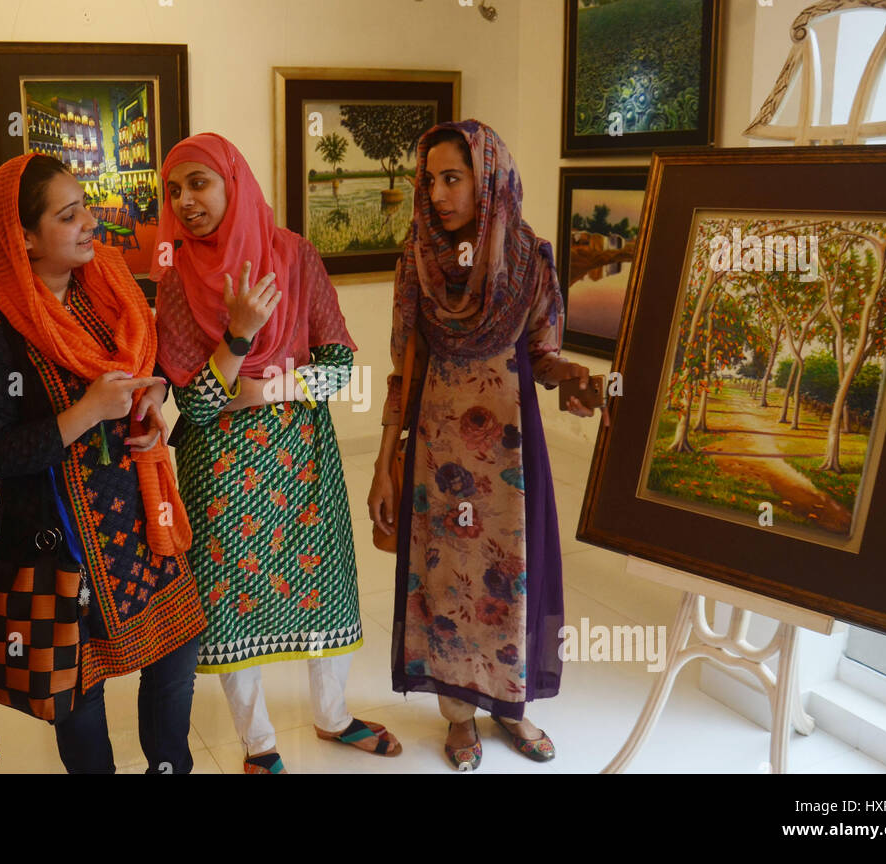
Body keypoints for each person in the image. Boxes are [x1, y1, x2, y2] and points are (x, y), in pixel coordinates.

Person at [152, 133, 400, 774]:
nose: (185, 201)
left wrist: (265, 388)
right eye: (174, 190)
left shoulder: (292, 256)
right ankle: (259, 744)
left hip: (302, 461)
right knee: (232, 600)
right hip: (221, 472)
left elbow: (340, 359)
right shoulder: (177, 278)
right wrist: (238, 337)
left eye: (199, 183)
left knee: (326, 585)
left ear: (235, 181)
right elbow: (197, 403)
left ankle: (334, 716)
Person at [0, 154, 205, 774]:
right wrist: (88, 411)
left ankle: (170, 767)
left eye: (86, 206)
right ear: (25, 239)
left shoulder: (109, 293)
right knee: (77, 689)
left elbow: (152, 370)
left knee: (176, 653)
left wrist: (154, 395)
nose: (91, 223)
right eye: (68, 217)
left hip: (143, 525)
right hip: (58, 548)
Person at [367, 120, 605, 771]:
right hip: (439, 456)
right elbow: (402, 368)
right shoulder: (417, 260)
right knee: (446, 586)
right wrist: (385, 461)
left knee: (511, 579)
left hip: (509, 456)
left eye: (454, 177)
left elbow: (543, 356)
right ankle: (458, 716)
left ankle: (510, 707)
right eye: (431, 179)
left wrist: (571, 379)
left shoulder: (531, 258)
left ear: (488, 177)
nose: (439, 194)